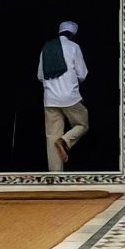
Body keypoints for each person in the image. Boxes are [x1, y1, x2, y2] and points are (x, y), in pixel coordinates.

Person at [38, 19, 89, 171]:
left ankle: (55, 176)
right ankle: (65, 140)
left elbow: (40, 75)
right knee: (82, 124)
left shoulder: (46, 48)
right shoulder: (74, 47)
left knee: (52, 137)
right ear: (72, 34)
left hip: (50, 100)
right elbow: (82, 74)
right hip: (70, 97)